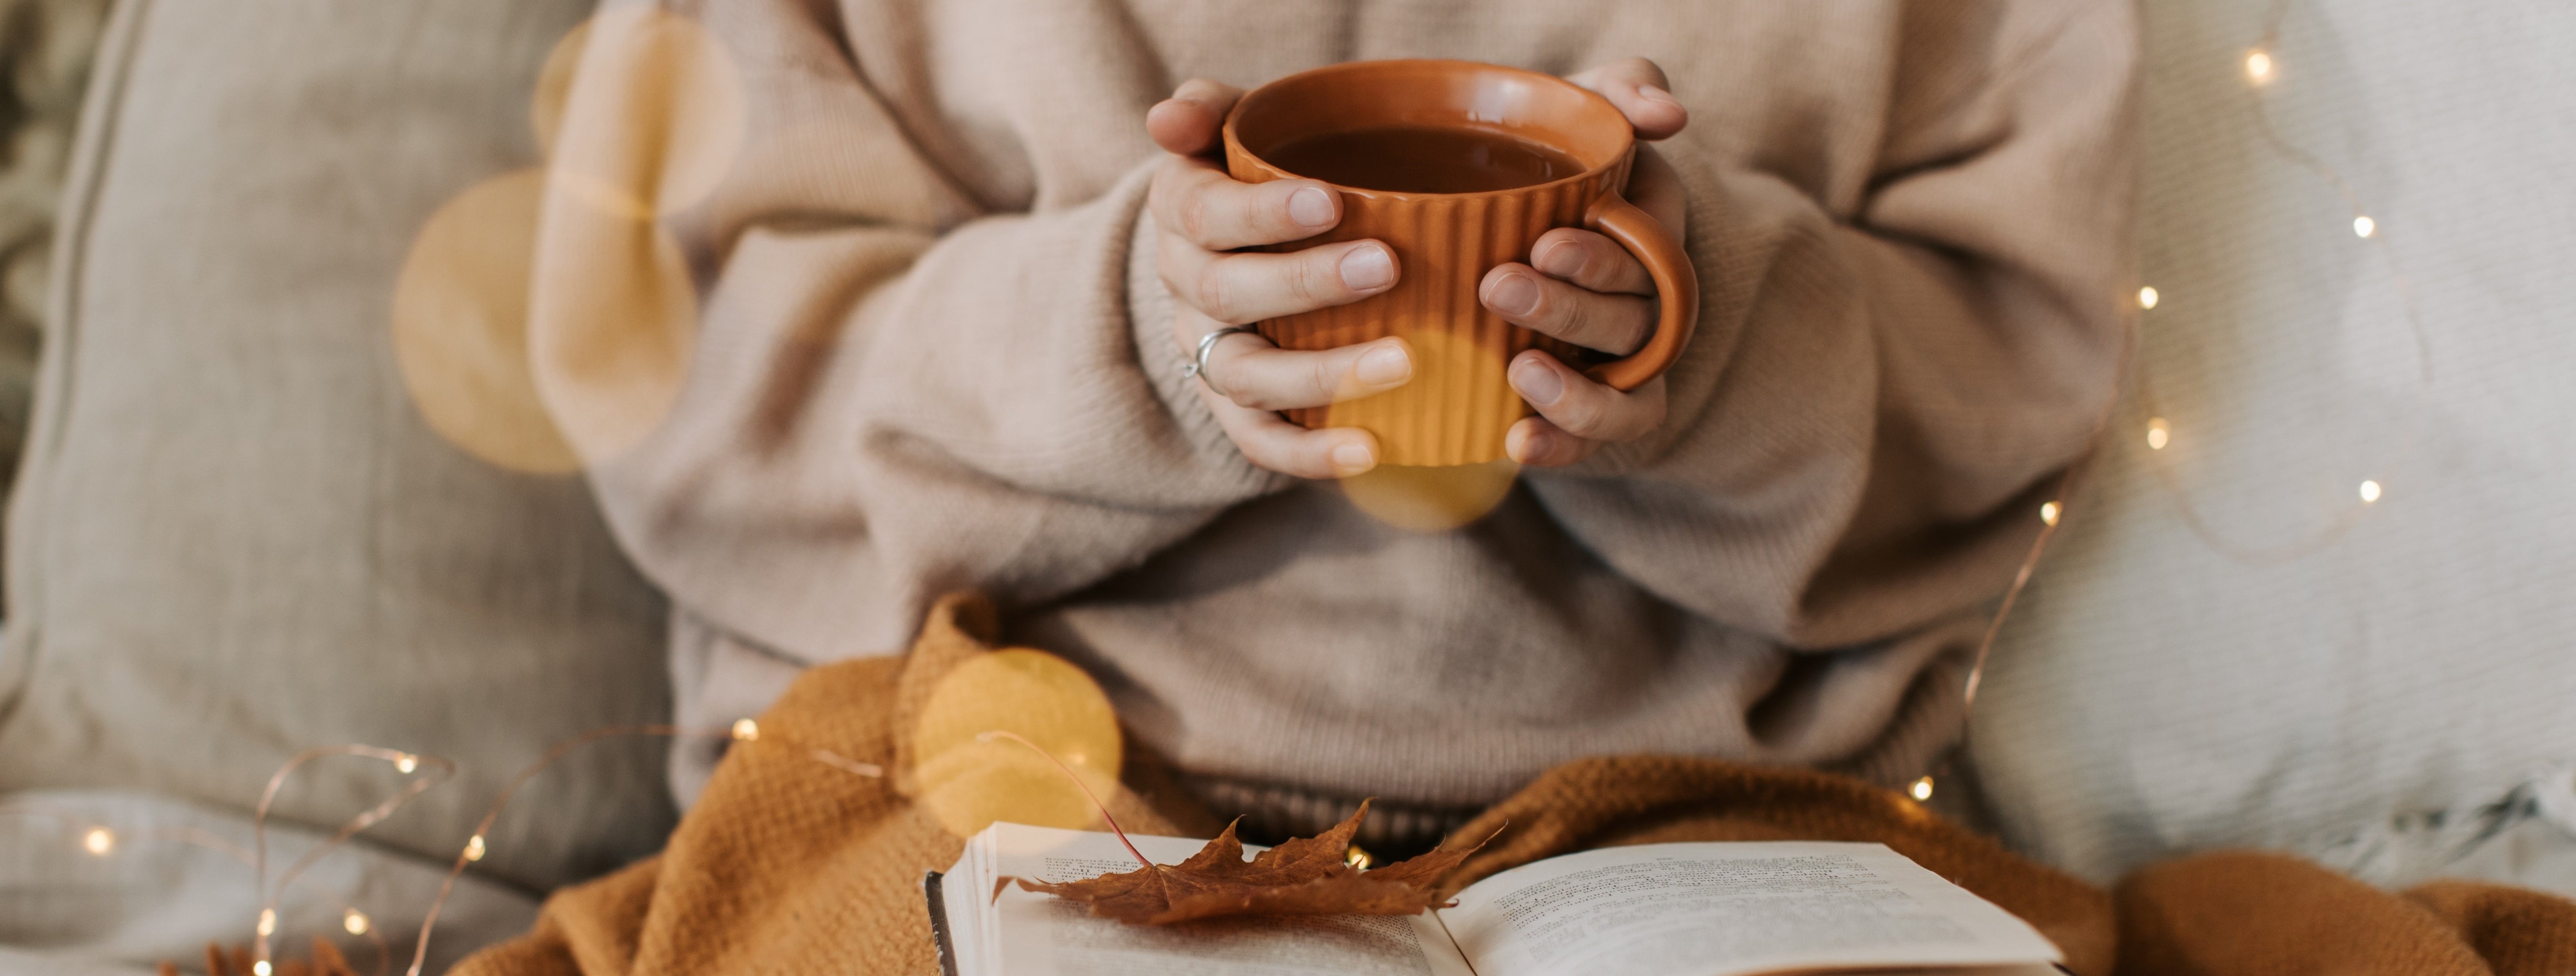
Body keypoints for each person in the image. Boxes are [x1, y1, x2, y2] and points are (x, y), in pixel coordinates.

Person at [536, 0, 2136, 857]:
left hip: (1709, 818)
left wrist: (1710, 328)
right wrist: (1139, 331)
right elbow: (694, 376)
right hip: (986, 795)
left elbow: (2011, 371)